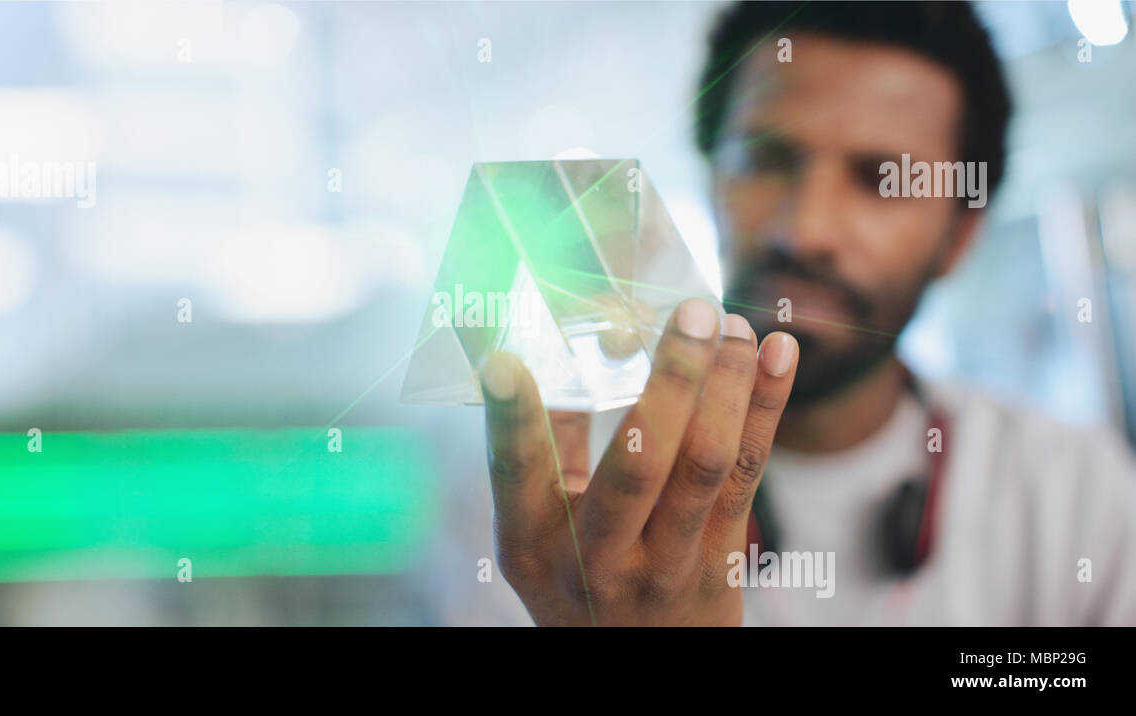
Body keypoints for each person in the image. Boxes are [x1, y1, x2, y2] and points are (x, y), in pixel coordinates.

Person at [476, 1, 1136, 626]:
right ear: (710, 181)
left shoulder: (1078, 498)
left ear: (959, 238)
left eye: (883, 179)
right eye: (764, 159)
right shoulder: (560, 501)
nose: (807, 229)